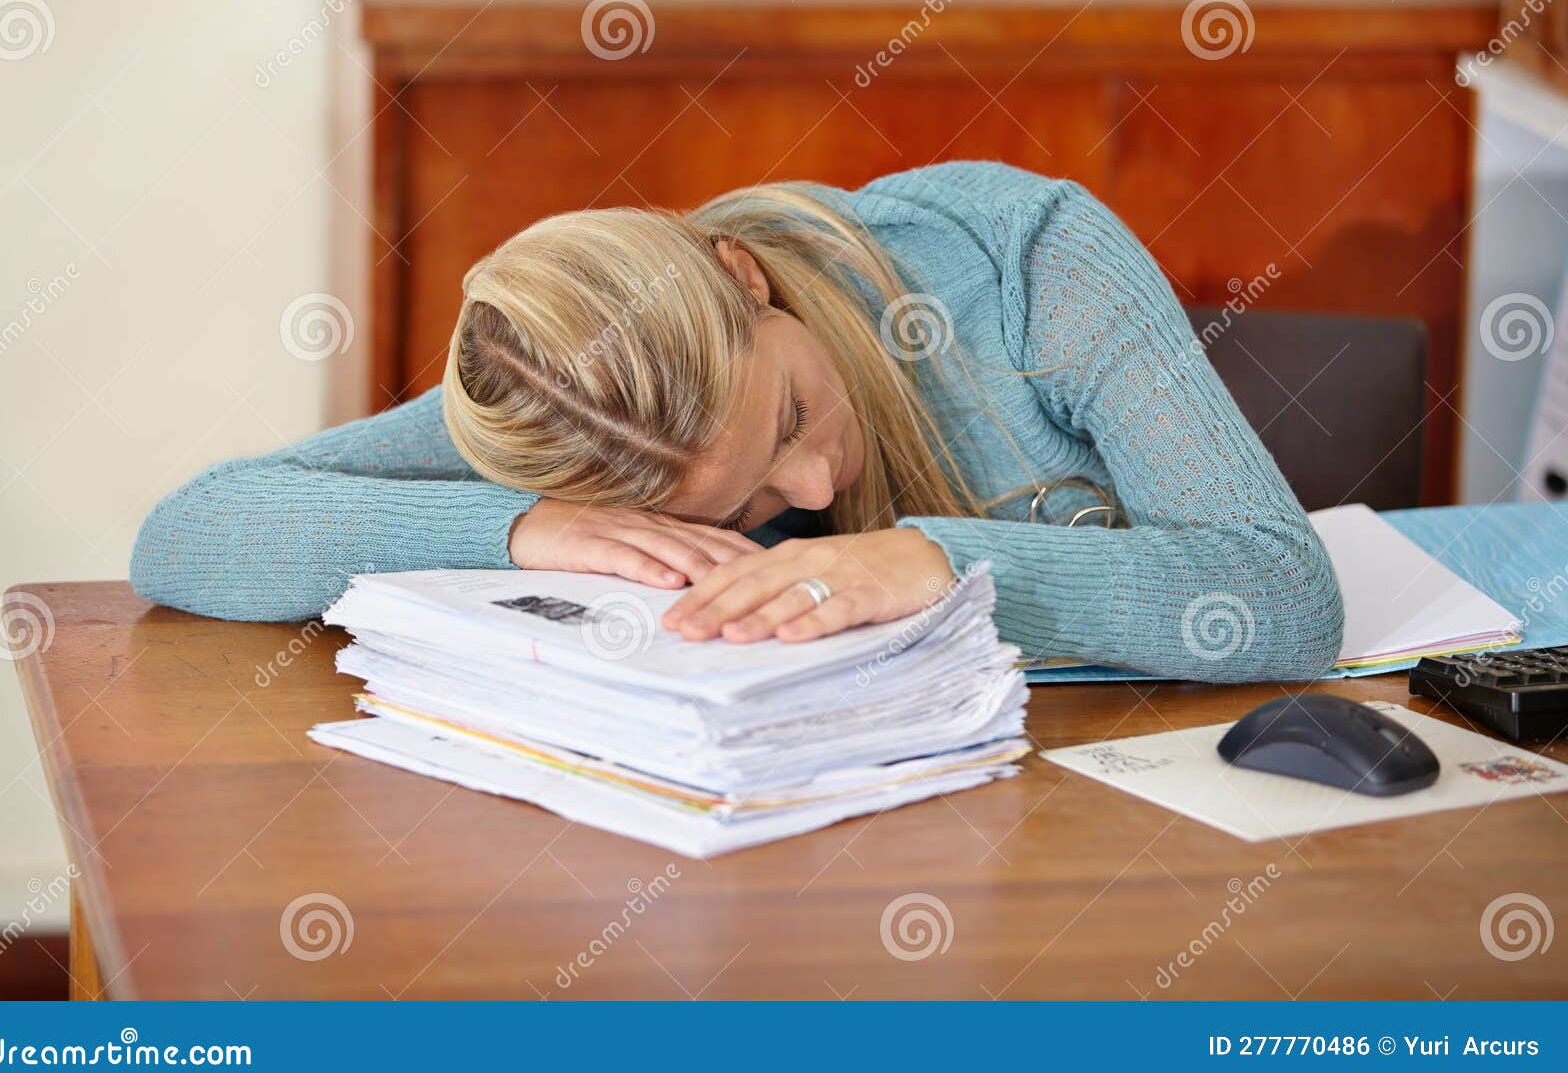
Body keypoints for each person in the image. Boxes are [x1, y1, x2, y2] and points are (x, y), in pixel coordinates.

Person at [130, 161, 1344, 681]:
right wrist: (528, 528)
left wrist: (937, 565)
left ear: (742, 276)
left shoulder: (1033, 261)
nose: (813, 488)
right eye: (745, 507)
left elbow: (1282, 594)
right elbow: (187, 531)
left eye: (791, 417)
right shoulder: (583, 400)